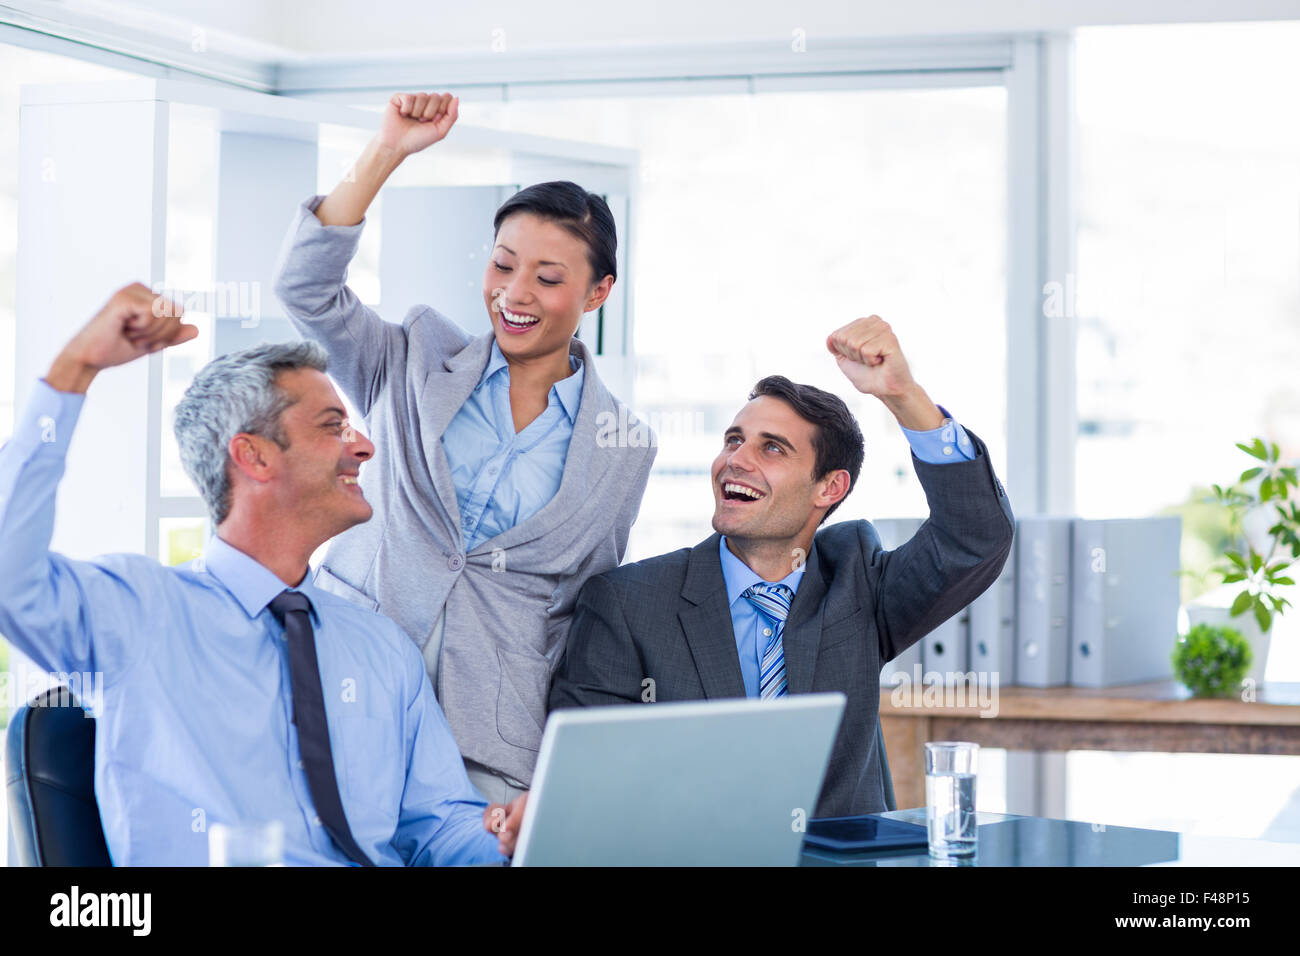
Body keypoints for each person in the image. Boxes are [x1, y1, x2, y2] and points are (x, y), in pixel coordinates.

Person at [0, 283, 522, 865]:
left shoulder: (380, 647)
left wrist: (509, 832)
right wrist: (77, 367)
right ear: (254, 456)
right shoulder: (141, 612)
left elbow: (439, 829)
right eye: (333, 427)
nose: (365, 447)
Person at [272, 91, 655, 805]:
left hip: (492, 741)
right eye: (504, 265)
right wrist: (386, 150)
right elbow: (305, 286)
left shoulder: (625, 446)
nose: (516, 293)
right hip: (347, 683)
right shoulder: (415, 357)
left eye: (548, 278)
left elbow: (581, 606)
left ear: (597, 293)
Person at [547, 315, 1015, 818]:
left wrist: (904, 397)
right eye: (733, 440)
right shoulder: (628, 602)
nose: (735, 460)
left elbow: (976, 535)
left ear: (829, 489)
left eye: (771, 447)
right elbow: (588, 785)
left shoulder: (858, 587)